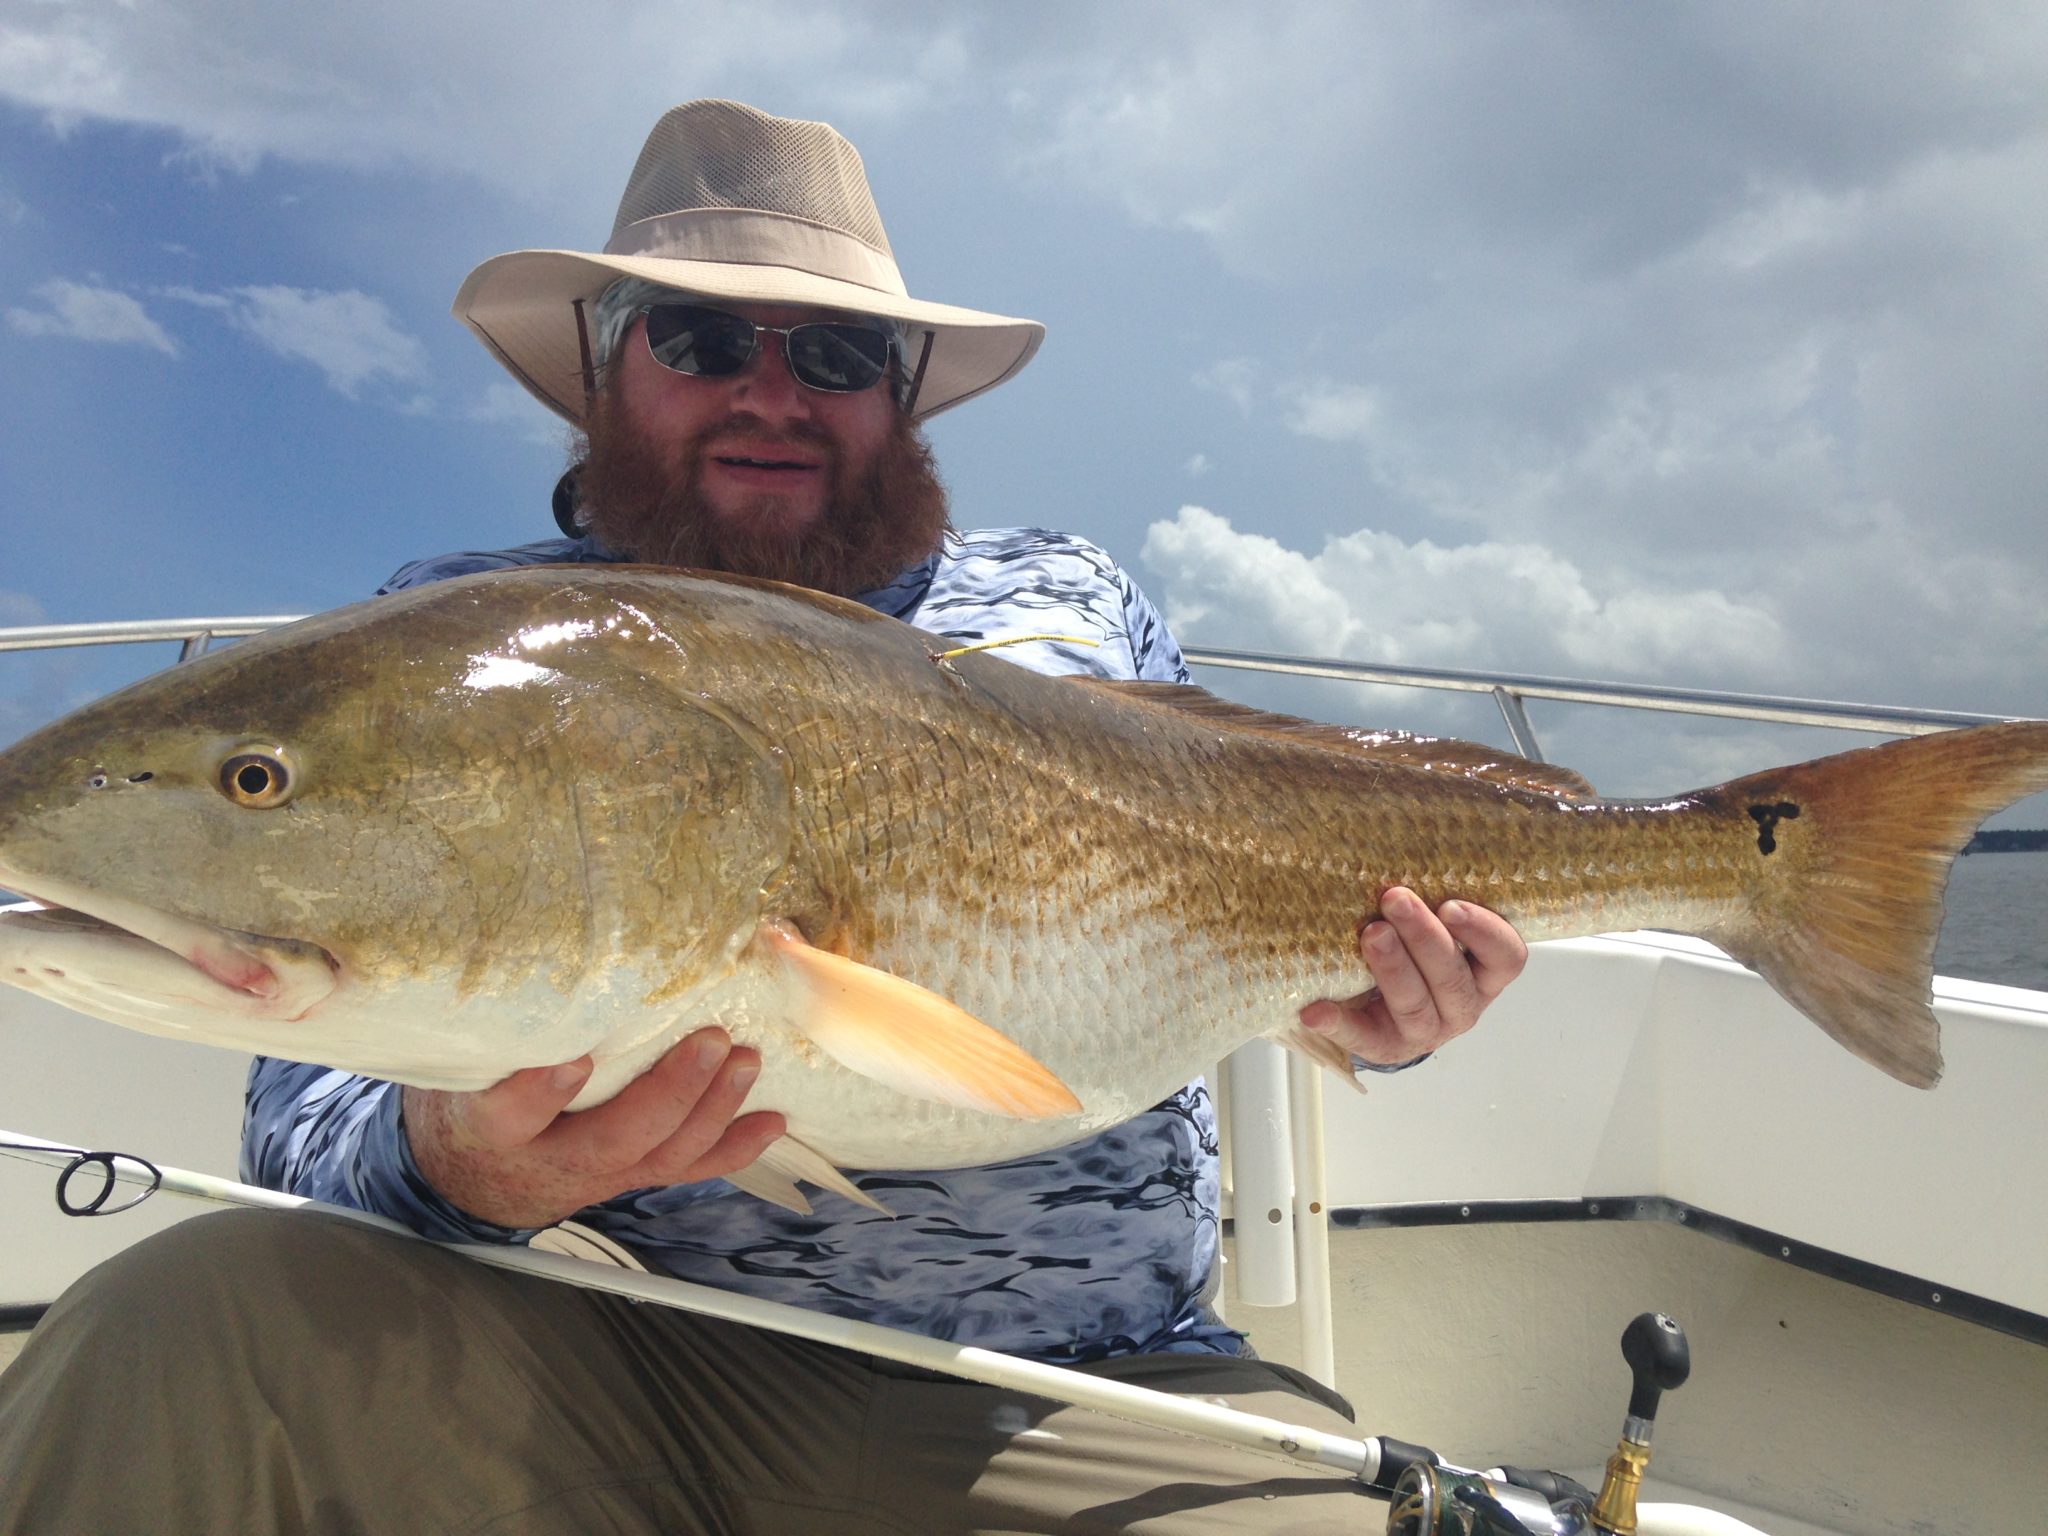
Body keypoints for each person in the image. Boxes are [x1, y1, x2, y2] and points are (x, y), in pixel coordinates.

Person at [0, 100, 1528, 1533]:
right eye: (703, 333)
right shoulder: (450, 635)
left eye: (841, 353)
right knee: (173, 1324)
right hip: (618, 1371)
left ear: (906, 391)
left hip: (1106, 1388)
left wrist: (1371, 999)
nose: (771, 391)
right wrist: (455, 1158)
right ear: (607, 361)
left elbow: (1264, 873)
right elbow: (298, 1118)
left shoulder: (1071, 596)